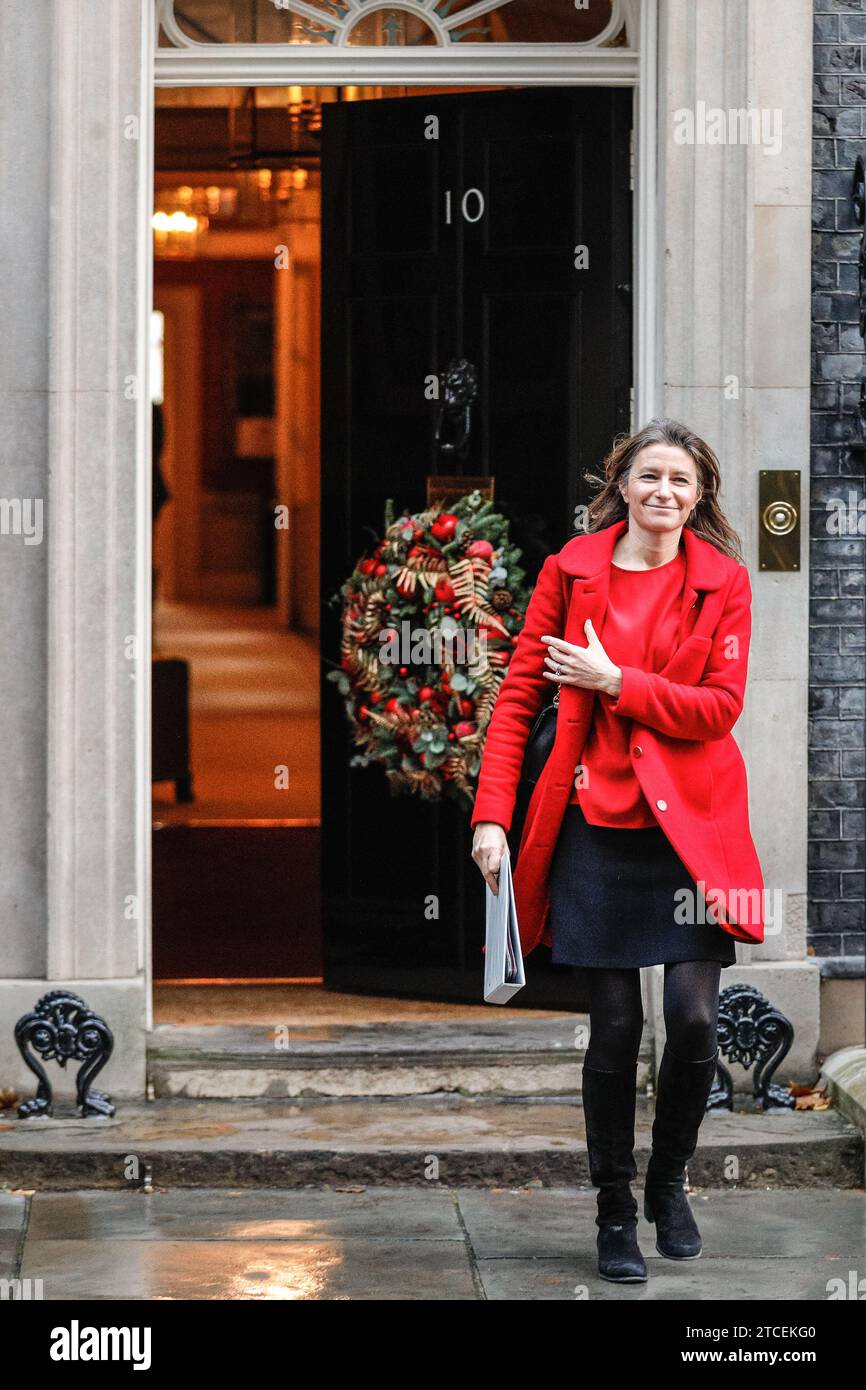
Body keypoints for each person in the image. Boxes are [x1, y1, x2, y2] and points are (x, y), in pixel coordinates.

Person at [470, 418, 765, 1284]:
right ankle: (612, 1209)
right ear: (623, 486)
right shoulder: (573, 573)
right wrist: (493, 816)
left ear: (699, 495)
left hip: (689, 833)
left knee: (695, 1019)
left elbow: (719, 707)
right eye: (649, 477)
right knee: (615, 1027)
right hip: (593, 830)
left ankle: (669, 1184)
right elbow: (520, 694)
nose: (664, 492)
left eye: (681, 480)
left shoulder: (723, 585)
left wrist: (614, 685)